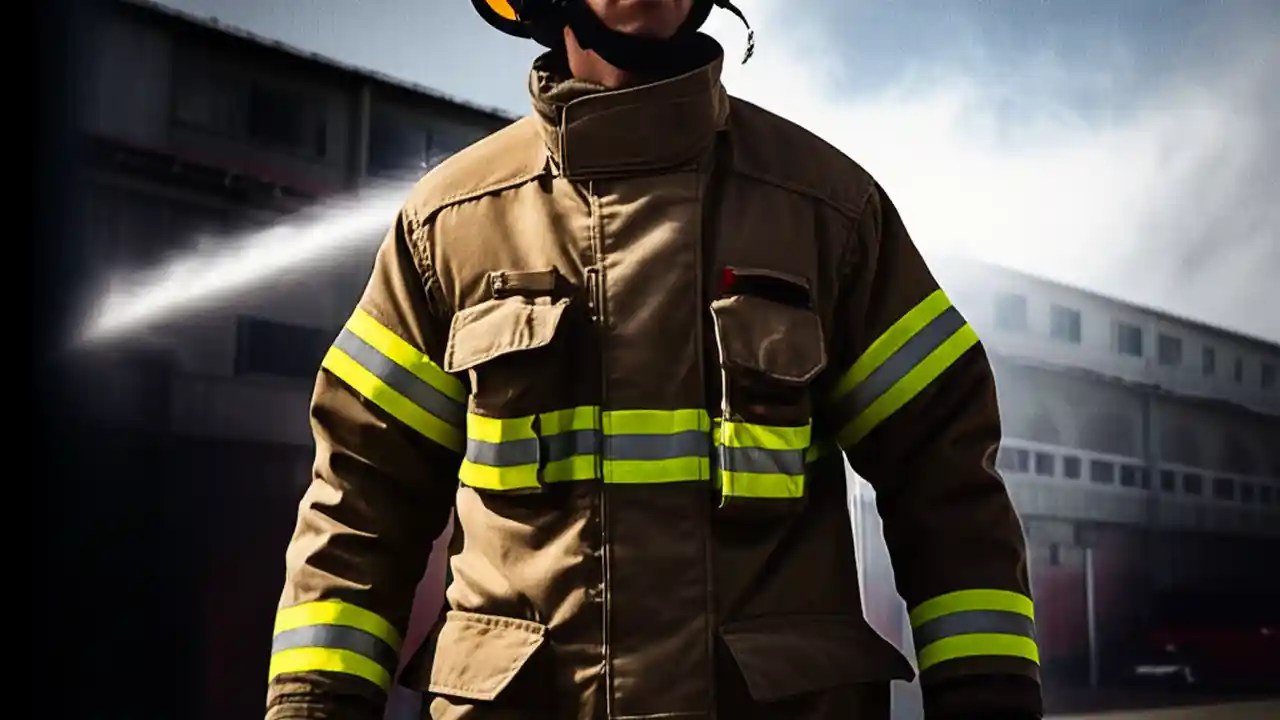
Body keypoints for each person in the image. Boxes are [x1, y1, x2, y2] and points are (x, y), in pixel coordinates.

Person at [264, 1, 1043, 718]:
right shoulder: (448, 227)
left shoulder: (831, 214)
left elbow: (946, 479)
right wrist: (313, 707)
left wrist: (989, 695)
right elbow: (360, 501)